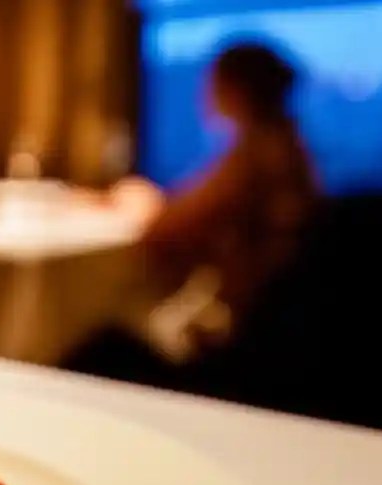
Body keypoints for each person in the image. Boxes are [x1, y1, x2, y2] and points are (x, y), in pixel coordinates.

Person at [115, 41, 318, 358]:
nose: (205, 94)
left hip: (244, 323)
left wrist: (145, 207)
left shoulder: (257, 156)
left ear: (236, 89)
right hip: (273, 315)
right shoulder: (286, 146)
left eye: (212, 83)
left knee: (109, 337)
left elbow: (170, 227)